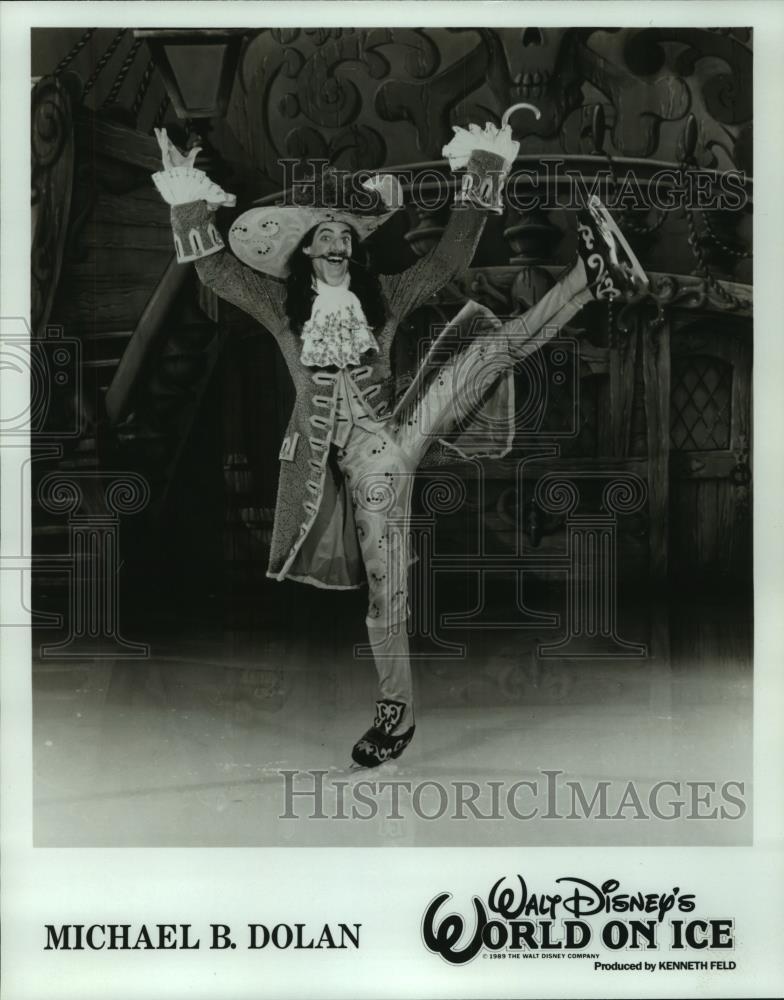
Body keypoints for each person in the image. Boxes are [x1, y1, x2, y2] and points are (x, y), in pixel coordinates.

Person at [151, 121, 647, 768]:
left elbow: (445, 263)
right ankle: (397, 712)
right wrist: (185, 195)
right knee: (387, 594)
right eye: (324, 235)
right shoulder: (280, 307)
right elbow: (215, 270)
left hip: (399, 432)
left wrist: (484, 171)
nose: (336, 242)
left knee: (487, 355)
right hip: (360, 471)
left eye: (344, 235)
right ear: (305, 250)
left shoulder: (382, 297)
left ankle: (588, 275)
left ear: (353, 249)